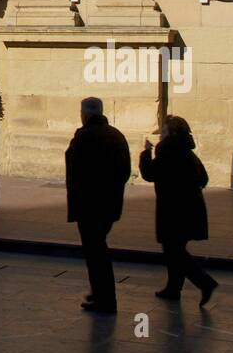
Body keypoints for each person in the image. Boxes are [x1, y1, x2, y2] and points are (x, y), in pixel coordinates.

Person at [139, 116, 218, 307]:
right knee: (175, 248)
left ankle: (205, 282)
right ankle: (173, 288)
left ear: (171, 133)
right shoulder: (188, 153)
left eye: (163, 130)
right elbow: (204, 179)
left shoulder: (167, 150)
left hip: (173, 210)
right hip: (191, 208)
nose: (161, 134)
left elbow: (150, 173)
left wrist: (146, 153)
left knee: (174, 251)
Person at [65, 97, 131, 314]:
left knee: (95, 253)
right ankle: (99, 293)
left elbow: (74, 169)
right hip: (110, 204)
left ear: (85, 114)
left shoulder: (84, 136)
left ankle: (106, 299)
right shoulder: (116, 135)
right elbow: (124, 171)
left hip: (89, 205)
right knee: (98, 247)